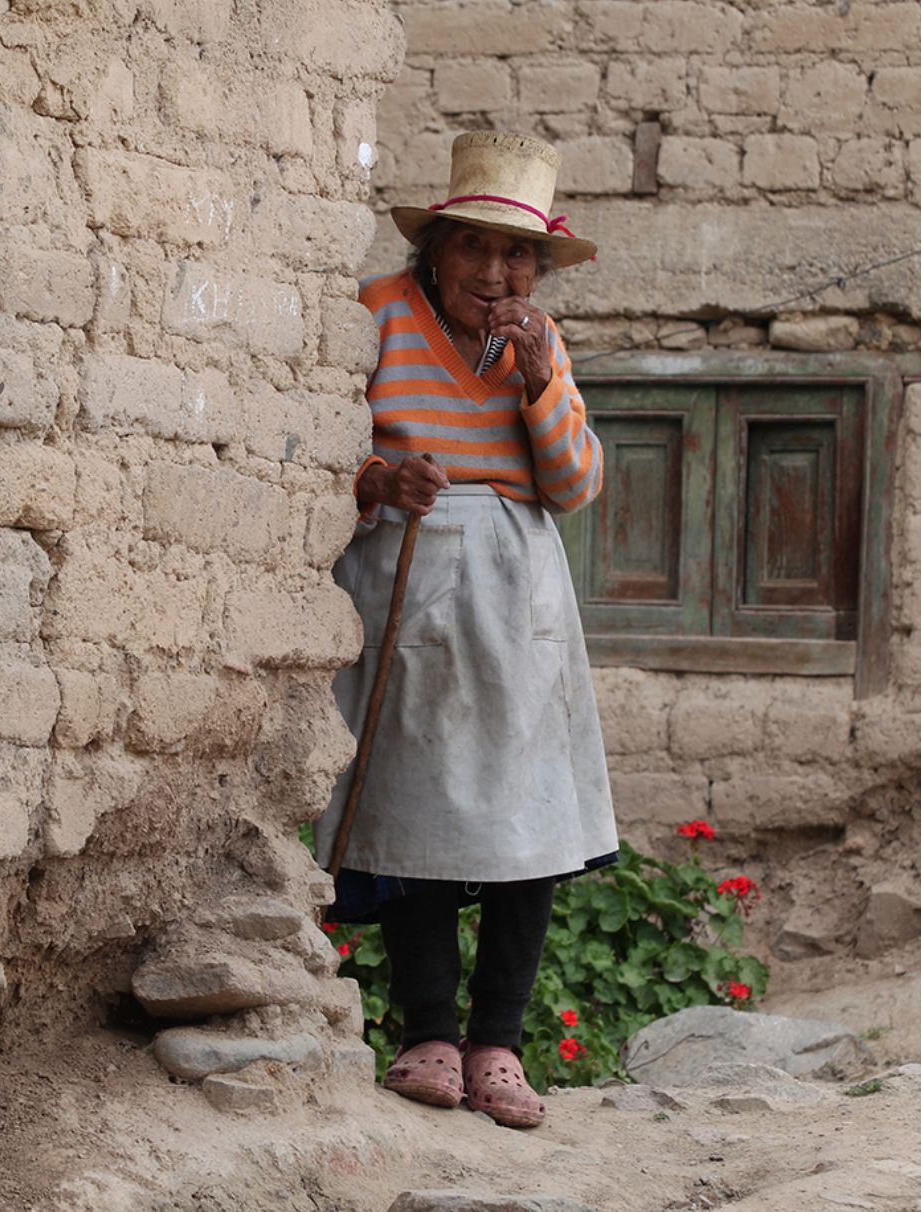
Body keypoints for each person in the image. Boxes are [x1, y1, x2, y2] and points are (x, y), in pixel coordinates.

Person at [313, 131, 618, 1130]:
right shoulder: (376, 315)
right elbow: (318, 448)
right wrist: (377, 480)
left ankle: (499, 1045)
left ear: (537, 269)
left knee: (530, 814)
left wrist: (537, 384)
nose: (495, 274)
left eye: (516, 254)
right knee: (416, 803)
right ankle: (429, 1037)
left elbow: (574, 485)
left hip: (518, 599)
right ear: (434, 250)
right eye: (474, 248)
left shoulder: (542, 346)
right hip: (403, 582)